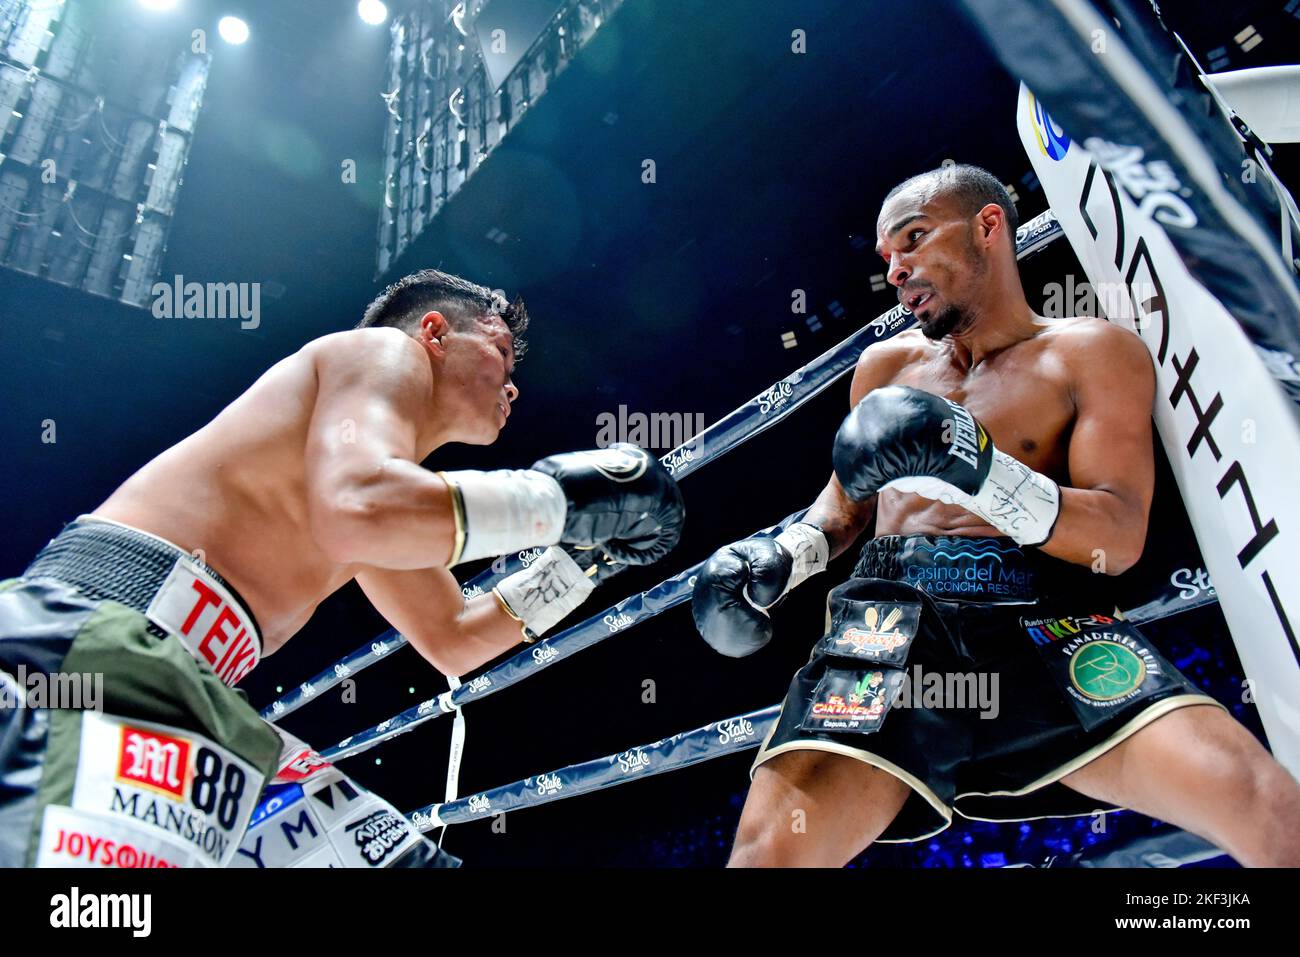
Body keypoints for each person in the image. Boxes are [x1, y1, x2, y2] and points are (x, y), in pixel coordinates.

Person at [692, 165, 1300, 867]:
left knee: (1268, 807)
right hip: (888, 628)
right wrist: (786, 554)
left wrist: (984, 472)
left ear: (989, 226)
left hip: (1046, 624)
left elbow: (1118, 534)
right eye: (888, 259)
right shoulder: (883, 369)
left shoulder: (1090, 352)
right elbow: (847, 504)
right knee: (767, 858)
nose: (897, 270)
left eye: (915, 239)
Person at [0, 268, 684, 868]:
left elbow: (452, 634)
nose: (512, 384)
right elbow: (357, 508)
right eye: (502, 350)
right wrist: (559, 501)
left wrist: (583, 563)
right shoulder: (381, 355)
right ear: (436, 332)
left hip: (185, 684)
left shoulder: (384, 488)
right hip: (102, 640)